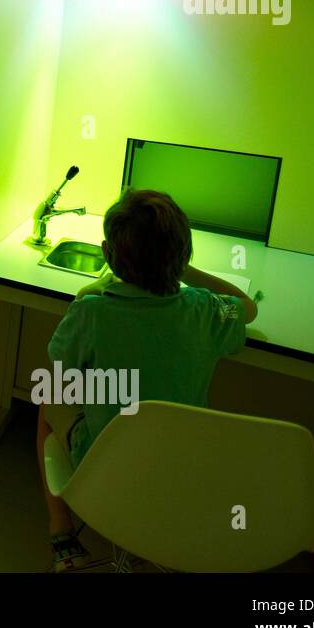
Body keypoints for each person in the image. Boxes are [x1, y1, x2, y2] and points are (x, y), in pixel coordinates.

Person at [38, 189, 258, 572]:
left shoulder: (92, 310)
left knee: (48, 397)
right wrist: (184, 269)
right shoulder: (205, 308)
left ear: (108, 255)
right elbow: (249, 308)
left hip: (103, 465)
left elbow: (61, 368)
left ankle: (61, 531)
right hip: (181, 463)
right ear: (183, 254)